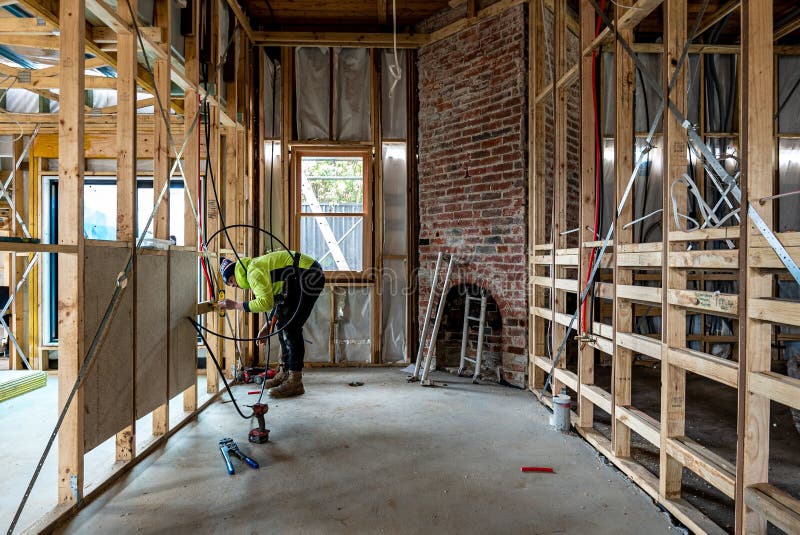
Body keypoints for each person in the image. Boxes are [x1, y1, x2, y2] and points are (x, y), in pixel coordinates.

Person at [218, 250, 325, 398]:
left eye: (230, 280)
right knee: (282, 325)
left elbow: (266, 302)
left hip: (309, 274)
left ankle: (295, 381)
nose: (233, 285)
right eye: (229, 284)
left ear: (236, 272)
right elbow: (278, 298)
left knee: (291, 327)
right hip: (299, 277)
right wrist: (269, 324)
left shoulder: (253, 273)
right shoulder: (254, 269)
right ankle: (285, 372)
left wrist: (236, 305)